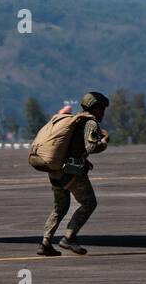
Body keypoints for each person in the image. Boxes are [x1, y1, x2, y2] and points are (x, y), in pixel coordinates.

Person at [38, 92, 110, 256]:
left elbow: (72, 147)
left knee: (60, 207)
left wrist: (83, 159)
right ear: (95, 108)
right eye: (102, 109)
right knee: (89, 203)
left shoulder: (74, 120)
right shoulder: (90, 123)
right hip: (71, 172)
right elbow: (92, 147)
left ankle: (45, 243)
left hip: (55, 170)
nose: (103, 113)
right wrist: (105, 141)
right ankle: (69, 237)